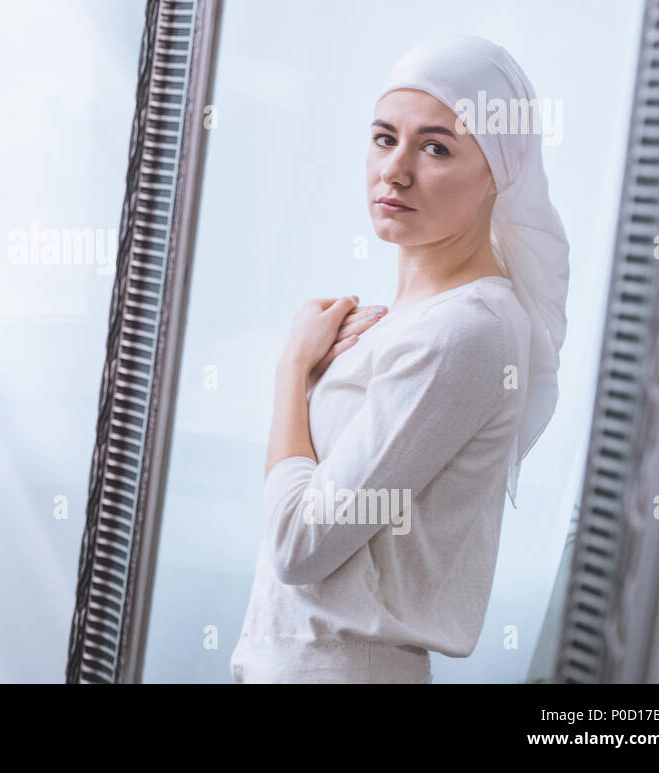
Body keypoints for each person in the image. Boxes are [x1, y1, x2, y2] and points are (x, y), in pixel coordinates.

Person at [230, 34, 570, 683]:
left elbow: (299, 544)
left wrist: (291, 371)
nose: (396, 169)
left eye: (436, 146)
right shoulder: (410, 324)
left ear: (501, 170)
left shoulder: (465, 333)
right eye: (385, 138)